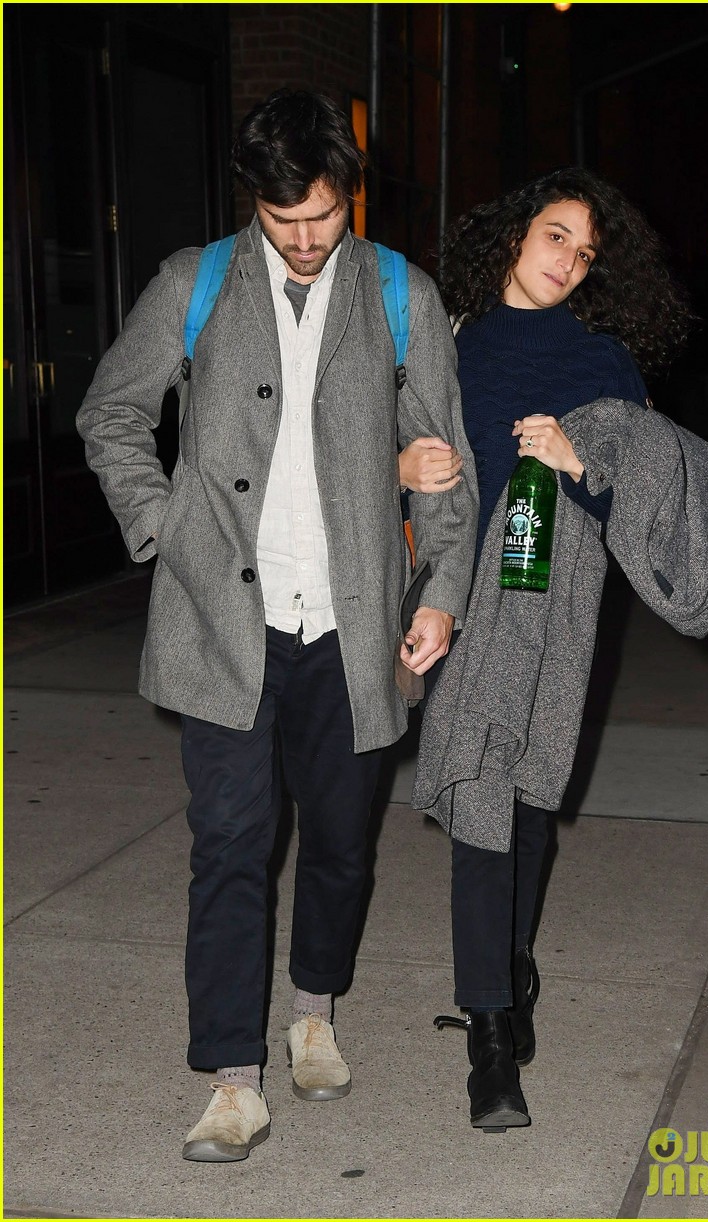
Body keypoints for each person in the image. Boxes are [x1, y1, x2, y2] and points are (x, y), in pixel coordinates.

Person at [77, 87, 478, 1162]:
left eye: (322, 214)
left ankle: (314, 1012)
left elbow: (445, 464)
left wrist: (439, 594)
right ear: (250, 200)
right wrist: (162, 527)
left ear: (353, 193)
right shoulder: (192, 282)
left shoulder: (402, 295)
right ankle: (231, 1076)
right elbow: (113, 412)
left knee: (341, 846)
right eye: (281, 217)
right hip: (224, 626)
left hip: (354, 631)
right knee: (230, 847)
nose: (303, 239)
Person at [410, 168, 708, 1131]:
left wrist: (579, 462)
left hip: (553, 606)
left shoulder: (603, 364)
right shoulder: (447, 345)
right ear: (513, 234)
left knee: (524, 797)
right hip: (459, 601)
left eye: (584, 252)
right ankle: (489, 1037)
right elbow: (395, 463)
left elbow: (646, 506)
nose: (567, 261)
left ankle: (506, 968)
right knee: (480, 789)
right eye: (555, 236)